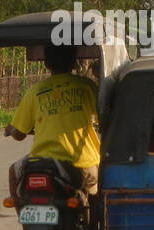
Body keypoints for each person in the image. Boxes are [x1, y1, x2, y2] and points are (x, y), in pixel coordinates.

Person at [6, 43, 100, 206]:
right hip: (82, 162)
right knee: (96, 196)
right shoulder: (87, 87)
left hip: (41, 162)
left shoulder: (34, 92)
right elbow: (104, 117)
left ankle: (23, 214)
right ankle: (95, 227)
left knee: (14, 171)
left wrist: (11, 129)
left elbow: (19, 135)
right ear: (73, 62)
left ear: (46, 63)